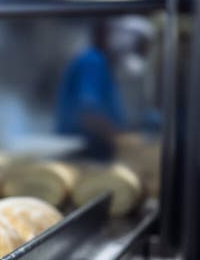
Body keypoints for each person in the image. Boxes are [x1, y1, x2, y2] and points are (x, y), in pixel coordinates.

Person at [55, 16, 154, 160]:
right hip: (84, 153)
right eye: (137, 47)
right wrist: (122, 139)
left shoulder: (103, 66)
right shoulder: (93, 61)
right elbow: (88, 114)